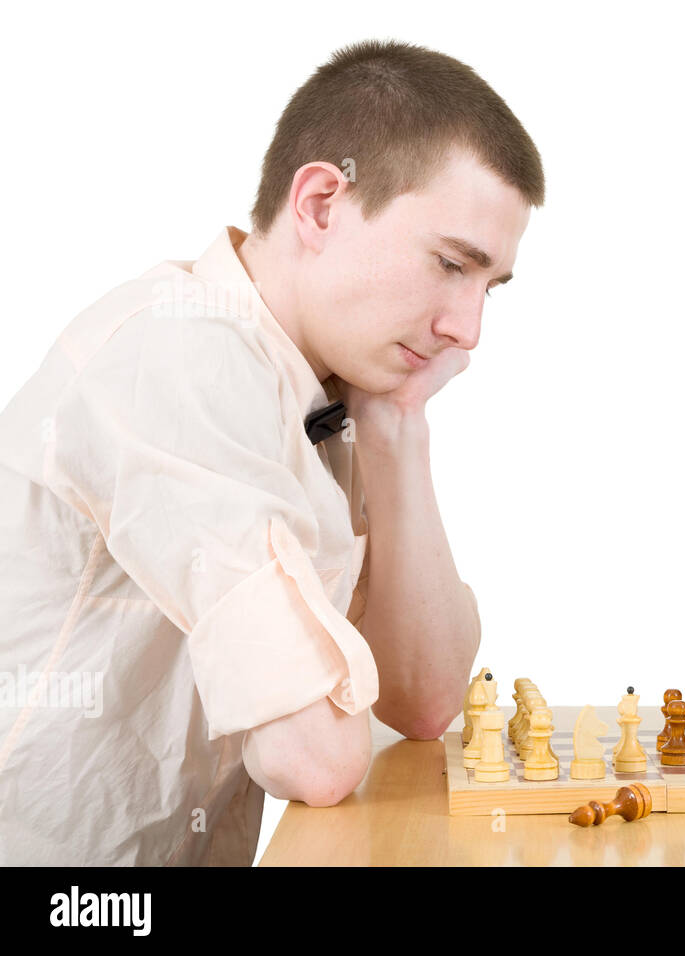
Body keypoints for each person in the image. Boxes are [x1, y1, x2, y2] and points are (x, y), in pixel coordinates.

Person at [0, 39, 542, 865]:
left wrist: (398, 426)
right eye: (448, 265)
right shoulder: (179, 355)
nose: (468, 331)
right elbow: (314, 759)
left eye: (488, 286)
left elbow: (426, 699)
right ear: (322, 204)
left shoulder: (325, 391)